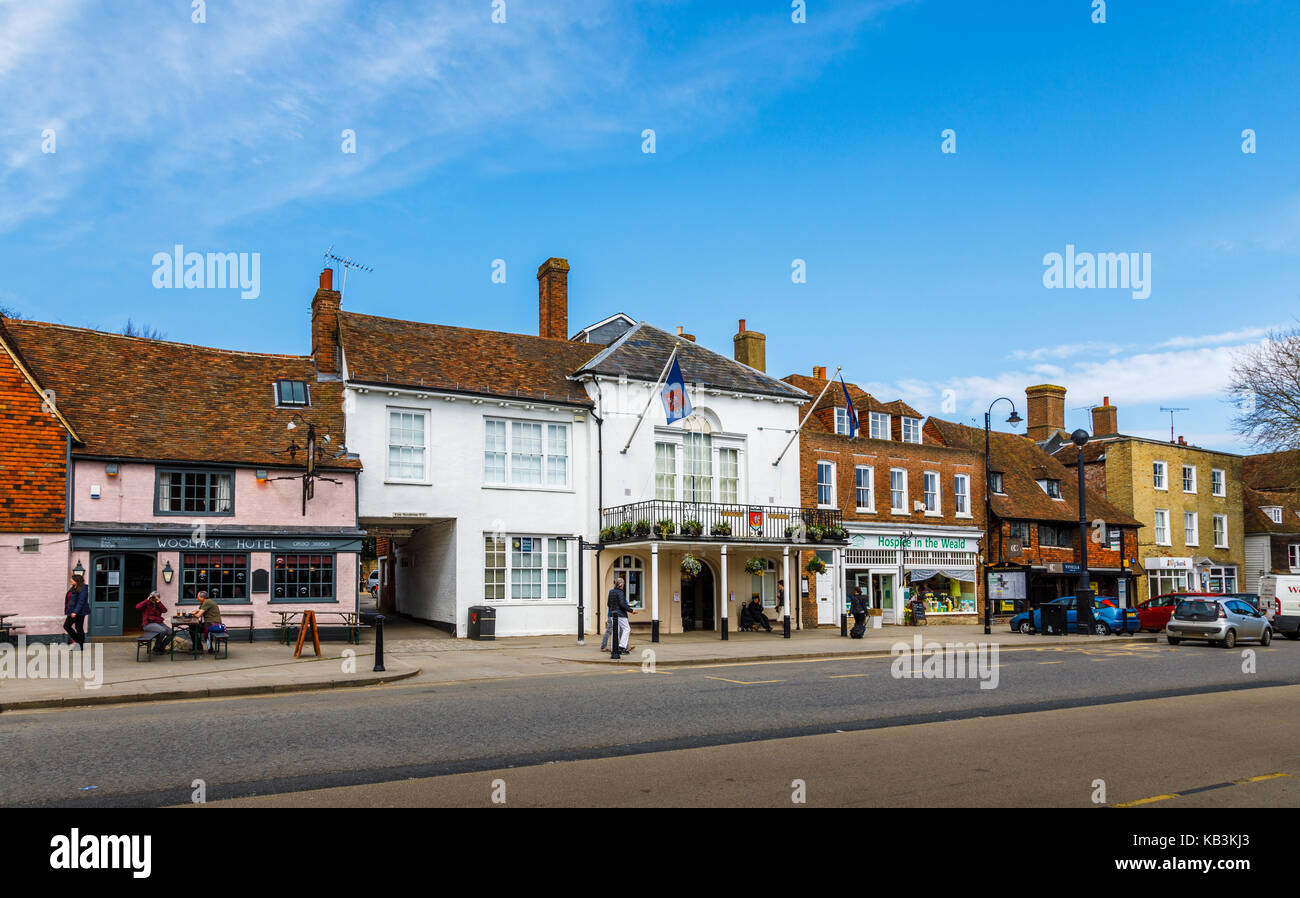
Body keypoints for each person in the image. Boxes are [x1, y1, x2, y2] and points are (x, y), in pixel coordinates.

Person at [608, 577, 635, 655]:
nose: (623, 585)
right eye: (623, 584)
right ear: (621, 584)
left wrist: (613, 609)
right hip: (621, 615)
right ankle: (622, 647)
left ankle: (614, 649)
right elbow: (622, 604)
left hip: (613, 614)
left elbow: (608, 604)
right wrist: (631, 610)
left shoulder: (611, 591)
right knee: (627, 629)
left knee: (615, 631)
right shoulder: (620, 592)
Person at [63, 573, 90, 648]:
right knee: (66, 626)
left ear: (76, 580)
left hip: (79, 612)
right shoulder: (73, 588)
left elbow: (81, 601)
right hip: (71, 611)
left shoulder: (83, 588)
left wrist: (75, 612)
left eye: (72, 579)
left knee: (79, 628)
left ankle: (80, 645)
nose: (70, 580)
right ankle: (79, 641)